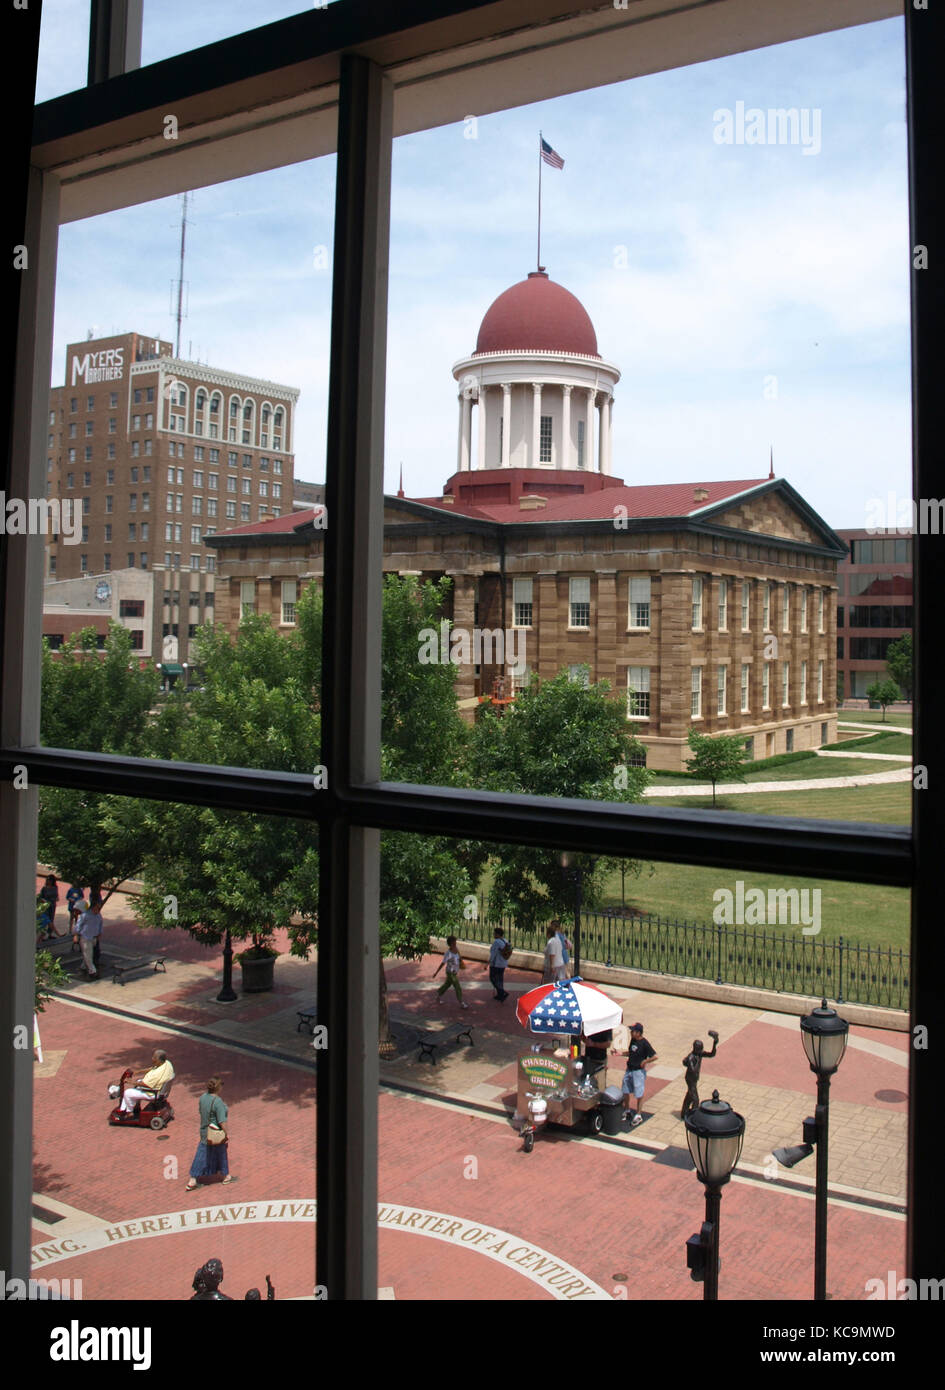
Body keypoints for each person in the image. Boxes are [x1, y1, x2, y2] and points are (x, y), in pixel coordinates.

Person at [186, 1077, 235, 1190]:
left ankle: (194, 1178)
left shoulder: (203, 1097)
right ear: (219, 1088)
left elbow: (200, 1112)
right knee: (221, 1152)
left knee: (203, 1152)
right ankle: (225, 1175)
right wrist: (226, 1134)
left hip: (204, 1130)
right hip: (215, 1132)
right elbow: (222, 1121)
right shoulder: (218, 1102)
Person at [616, 1022, 659, 1126]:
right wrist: (620, 1053)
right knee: (625, 1090)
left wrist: (645, 1062)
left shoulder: (644, 1043)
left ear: (638, 1033)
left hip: (638, 1072)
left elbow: (655, 1056)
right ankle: (627, 1110)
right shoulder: (633, 1040)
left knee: (639, 1093)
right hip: (629, 1069)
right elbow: (630, 1052)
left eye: (633, 1031)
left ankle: (639, 1114)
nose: (631, 1032)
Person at [118, 1049, 175, 1116]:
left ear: (159, 1060)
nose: (152, 1059)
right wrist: (138, 1071)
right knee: (138, 1082)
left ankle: (129, 1112)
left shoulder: (157, 1074)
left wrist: (131, 1082)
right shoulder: (167, 1063)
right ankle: (132, 1107)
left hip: (153, 1093)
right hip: (161, 1090)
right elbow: (152, 1068)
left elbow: (146, 1085)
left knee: (127, 1092)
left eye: (154, 1058)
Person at [681, 1030, 719, 1122]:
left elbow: (711, 1054)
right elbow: (693, 1070)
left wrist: (715, 1043)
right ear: (696, 1049)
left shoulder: (699, 1054)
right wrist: (697, 1060)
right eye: (700, 1049)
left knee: (689, 1096)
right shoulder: (691, 1057)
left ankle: (684, 1112)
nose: (702, 1051)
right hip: (690, 1079)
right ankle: (694, 1118)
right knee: (696, 1099)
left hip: (694, 1079)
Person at [432, 935, 467, 1007]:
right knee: (457, 986)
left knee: (447, 984)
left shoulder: (456, 949)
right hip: (451, 973)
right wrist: (436, 972)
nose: (455, 944)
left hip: (455, 971)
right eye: (453, 943)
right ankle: (461, 1002)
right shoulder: (448, 953)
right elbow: (443, 963)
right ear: (450, 944)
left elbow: (459, 957)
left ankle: (438, 994)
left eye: (455, 942)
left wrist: (461, 962)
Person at [74, 897, 104, 977]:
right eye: (97, 907)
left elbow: (100, 924)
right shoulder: (85, 915)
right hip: (86, 937)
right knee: (88, 954)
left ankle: (83, 966)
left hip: (94, 937)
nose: (98, 909)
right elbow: (78, 926)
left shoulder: (98, 916)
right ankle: (92, 971)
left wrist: (100, 933)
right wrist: (76, 935)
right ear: (93, 907)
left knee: (88, 954)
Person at [486, 926, 510, 1001]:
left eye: (494, 933)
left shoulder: (496, 942)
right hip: (503, 963)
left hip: (496, 964)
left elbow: (493, 954)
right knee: (500, 979)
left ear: (497, 934)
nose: (493, 934)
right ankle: (500, 995)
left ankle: (502, 992)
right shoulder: (505, 941)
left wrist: (488, 963)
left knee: (493, 978)